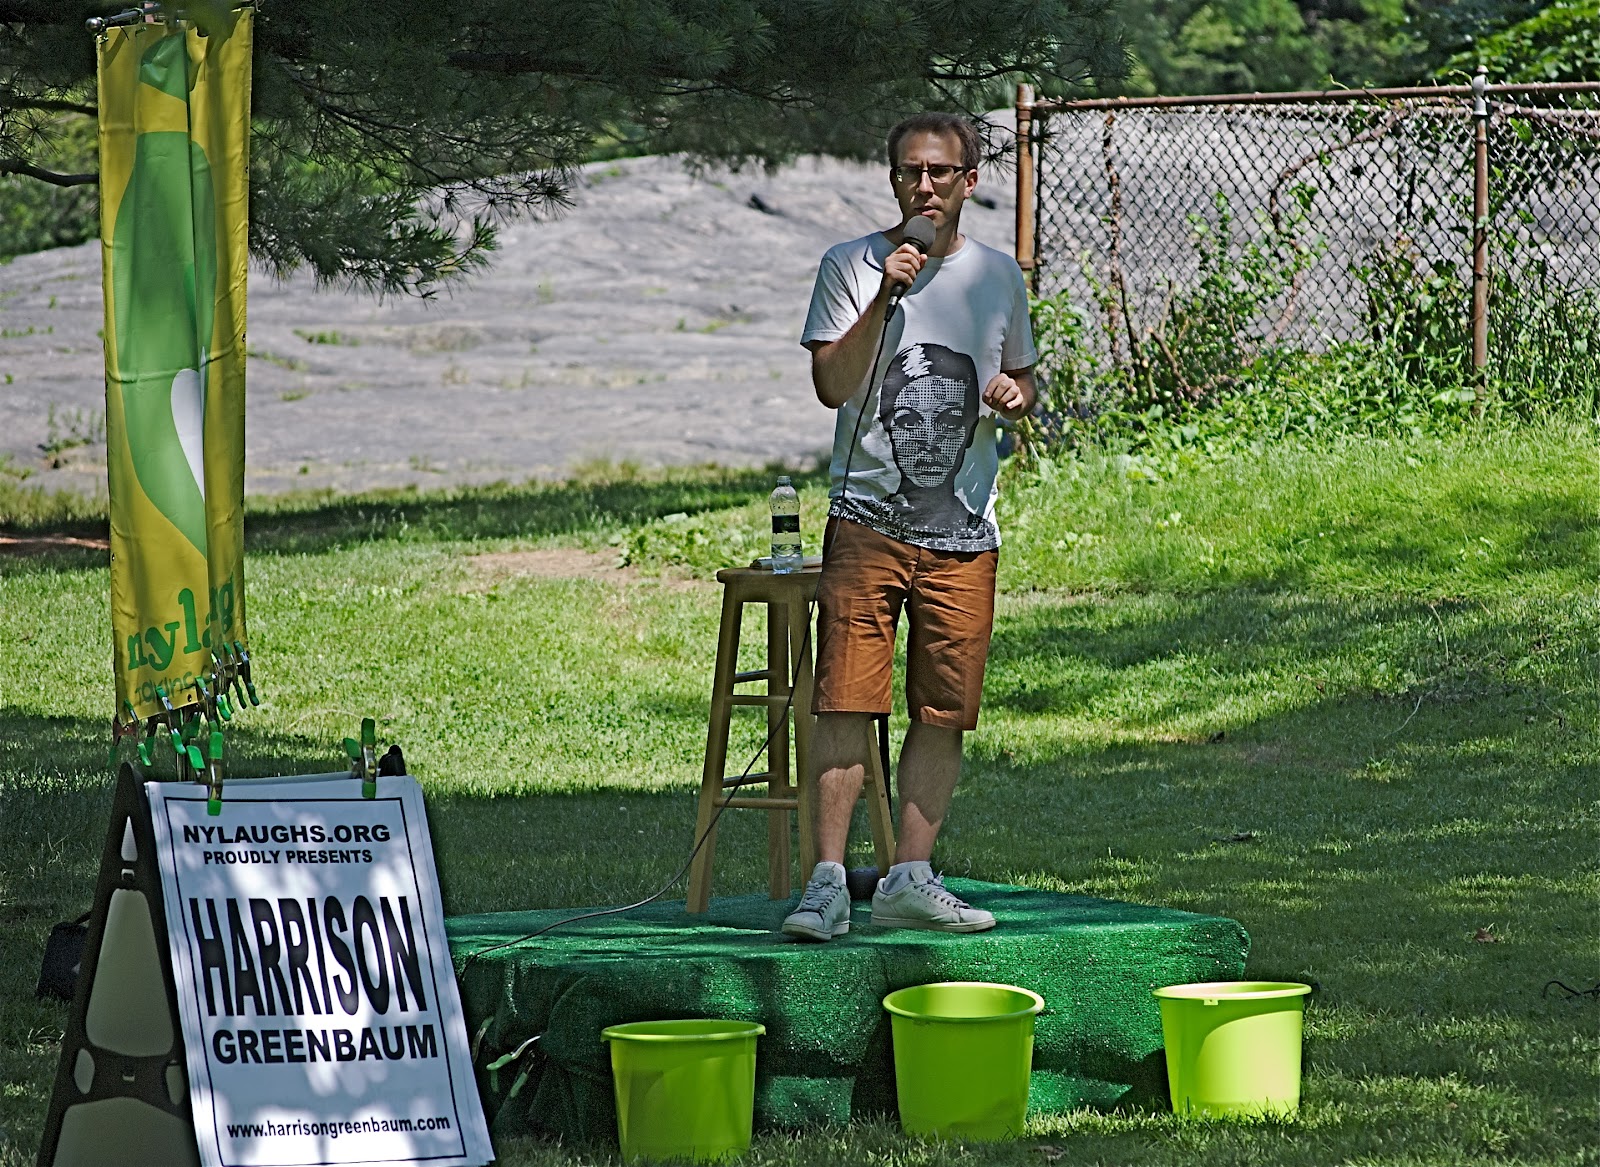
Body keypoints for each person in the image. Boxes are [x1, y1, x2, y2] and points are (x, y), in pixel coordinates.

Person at [782, 112, 1037, 941]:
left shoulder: (999, 276)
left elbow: (1022, 374)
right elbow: (831, 384)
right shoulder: (850, 265)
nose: (922, 186)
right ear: (893, 180)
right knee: (845, 700)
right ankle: (825, 883)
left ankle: (910, 876)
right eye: (908, 173)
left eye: (939, 172)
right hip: (866, 520)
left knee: (943, 709)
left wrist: (1014, 396)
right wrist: (888, 291)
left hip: (965, 531)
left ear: (969, 181)